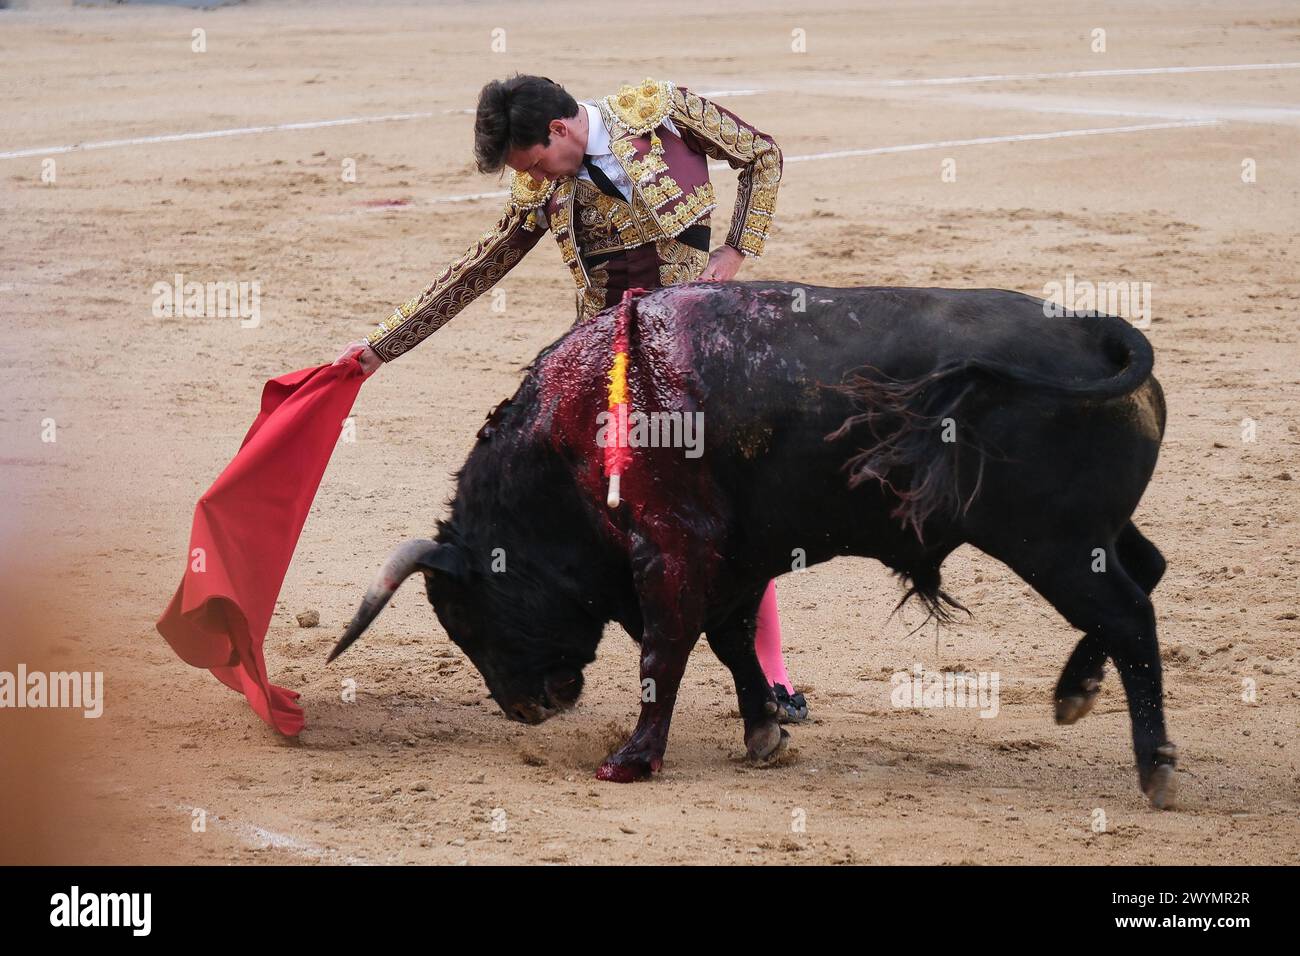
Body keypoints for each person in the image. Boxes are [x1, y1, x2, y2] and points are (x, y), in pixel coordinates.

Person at [335, 74, 808, 722]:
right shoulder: (539, 184)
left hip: (699, 345)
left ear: (560, 131)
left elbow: (762, 155)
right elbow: (482, 268)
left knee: (729, 495)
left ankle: (770, 674)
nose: (539, 179)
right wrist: (379, 348)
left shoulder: (660, 111)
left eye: (537, 163)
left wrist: (736, 247)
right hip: (608, 358)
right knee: (601, 495)